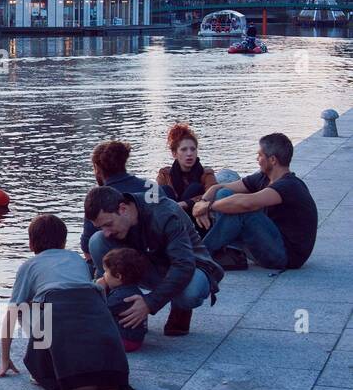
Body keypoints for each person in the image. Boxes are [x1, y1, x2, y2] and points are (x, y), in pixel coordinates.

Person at [0, 214, 131, 390]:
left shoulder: (29, 265)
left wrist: (5, 359)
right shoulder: (77, 259)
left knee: (23, 307)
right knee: (71, 305)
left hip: (57, 314)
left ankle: (43, 367)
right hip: (95, 315)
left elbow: (11, 314)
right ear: (63, 242)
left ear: (31, 244)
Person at [85, 186, 224, 337]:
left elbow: (183, 264)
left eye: (108, 224)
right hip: (150, 263)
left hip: (192, 266)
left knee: (190, 292)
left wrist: (149, 303)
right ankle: (122, 306)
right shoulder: (116, 223)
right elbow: (106, 261)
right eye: (100, 227)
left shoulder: (165, 213)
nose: (106, 232)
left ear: (123, 209)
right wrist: (102, 282)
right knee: (97, 241)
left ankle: (180, 308)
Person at [195, 133, 318, 271]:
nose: (257, 159)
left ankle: (199, 255)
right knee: (224, 194)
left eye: (260, 155)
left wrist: (209, 207)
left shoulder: (289, 186)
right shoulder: (263, 178)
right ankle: (231, 253)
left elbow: (246, 204)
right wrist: (202, 202)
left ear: (272, 160)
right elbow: (219, 187)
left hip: (285, 256)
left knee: (243, 211)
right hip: (267, 242)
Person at [80, 141, 157, 266]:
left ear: (97, 169)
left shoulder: (98, 200)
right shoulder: (151, 186)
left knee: (96, 241)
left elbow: (87, 249)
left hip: (120, 267)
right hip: (157, 257)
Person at [156, 123, 218, 213]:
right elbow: (156, 200)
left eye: (193, 149)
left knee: (195, 188)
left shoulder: (206, 174)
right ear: (174, 153)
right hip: (171, 216)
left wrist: (186, 203)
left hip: (196, 215)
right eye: (184, 149)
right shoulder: (165, 174)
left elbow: (213, 195)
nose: (189, 153)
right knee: (165, 190)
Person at [100, 248, 149, 352]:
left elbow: (100, 311)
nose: (103, 276)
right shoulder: (133, 291)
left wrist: (99, 290)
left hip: (125, 340)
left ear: (118, 276)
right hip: (134, 339)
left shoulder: (121, 296)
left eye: (105, 272)